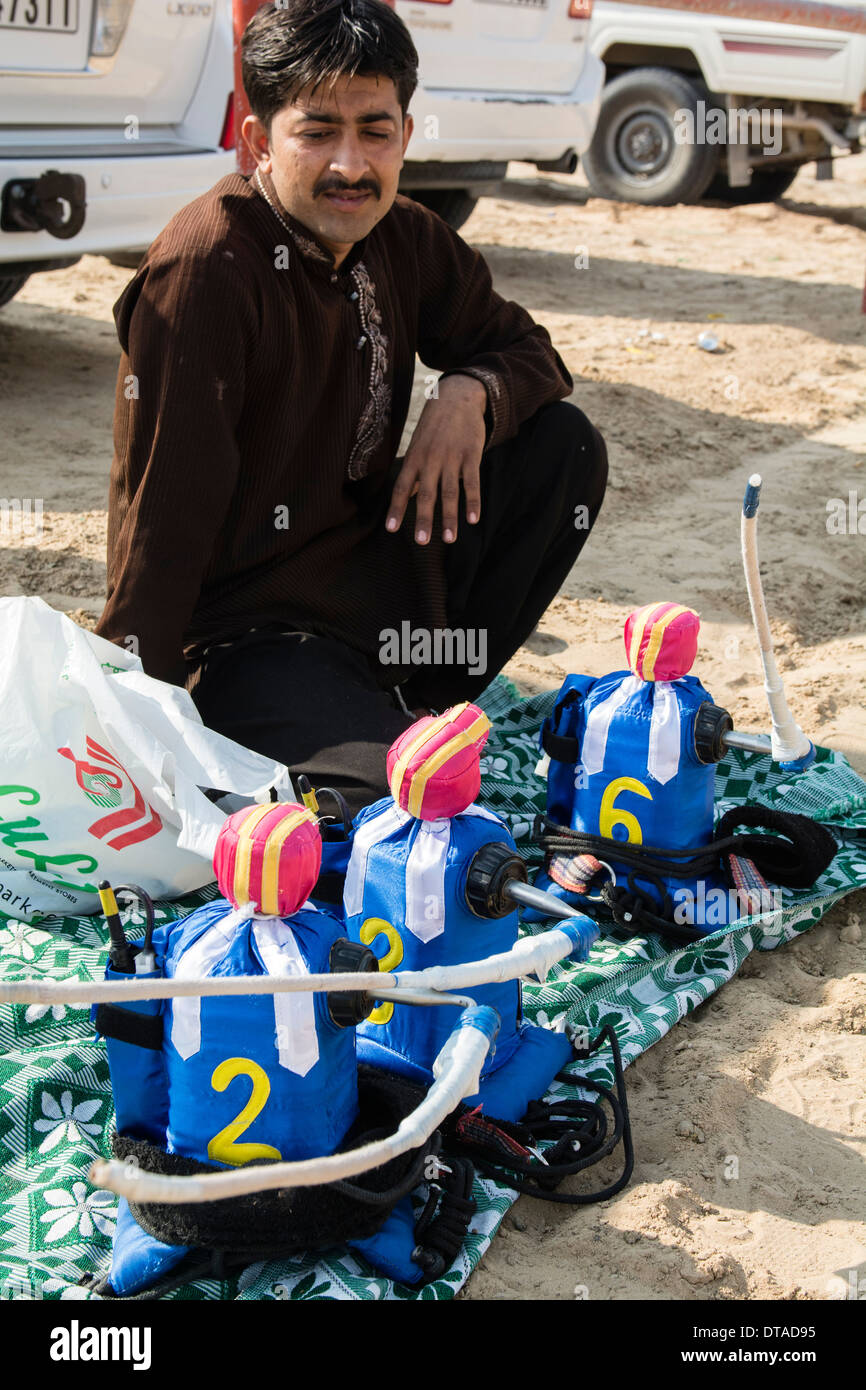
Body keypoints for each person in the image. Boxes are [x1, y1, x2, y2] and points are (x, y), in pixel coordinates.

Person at [94, 0, 608, 815]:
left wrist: (468, 391)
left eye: (375, 130)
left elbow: (531, 353)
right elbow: (165, 524)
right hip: (243, 635)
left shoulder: (402, 235)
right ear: (261, 142)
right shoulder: (206, 273)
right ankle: (360, 738)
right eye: (318, 131)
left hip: (371, 589)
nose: (351, 164)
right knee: (398, 804)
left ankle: (417, 702)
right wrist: (130, 726)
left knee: (562, 446)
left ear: (406, 133)